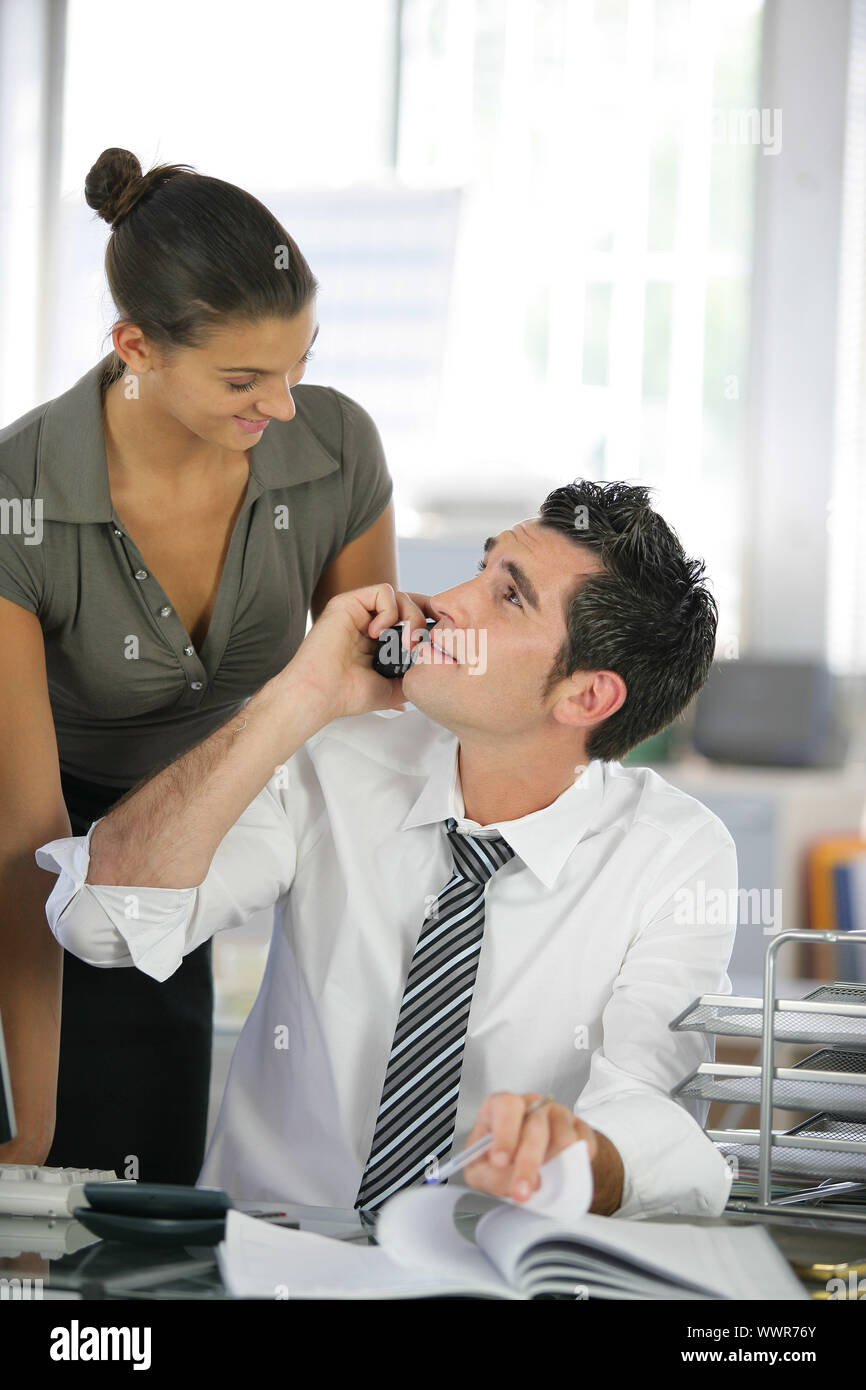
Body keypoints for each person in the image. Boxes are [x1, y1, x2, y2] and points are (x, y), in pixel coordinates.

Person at [36, 480, 738, 1218]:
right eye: (482, 566)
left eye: (508, 597)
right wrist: (298, 696)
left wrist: (583, 1156)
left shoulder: (674, 855)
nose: (447, 601)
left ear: (586, 699)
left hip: (487, 1275)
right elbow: (98, 922)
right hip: (269, 1273)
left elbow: (646, 1101)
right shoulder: (338, 754)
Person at [0, 147, 399, 1182]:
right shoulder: (19, 495)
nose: (281, 403)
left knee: (148, 1185)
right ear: (136, 346)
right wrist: (32, 1115)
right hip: (39, 850)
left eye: (299, 364)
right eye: (242, 378)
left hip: (192, 837)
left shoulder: (336, 450)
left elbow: (362, 723)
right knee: (41, 1175)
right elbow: (23, 832)